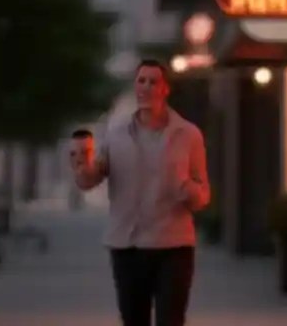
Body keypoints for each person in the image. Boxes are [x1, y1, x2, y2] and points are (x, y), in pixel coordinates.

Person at [72, 59, 211, 326]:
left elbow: (203, 195)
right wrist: (82, 166)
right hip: (127, 247)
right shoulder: (115, 133)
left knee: (171, 321)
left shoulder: (189, 135)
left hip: (173, 247)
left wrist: (186, 189)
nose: (146, 87)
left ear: (165, 89)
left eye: (153, 81)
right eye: (141, 81)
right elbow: (91, 179)